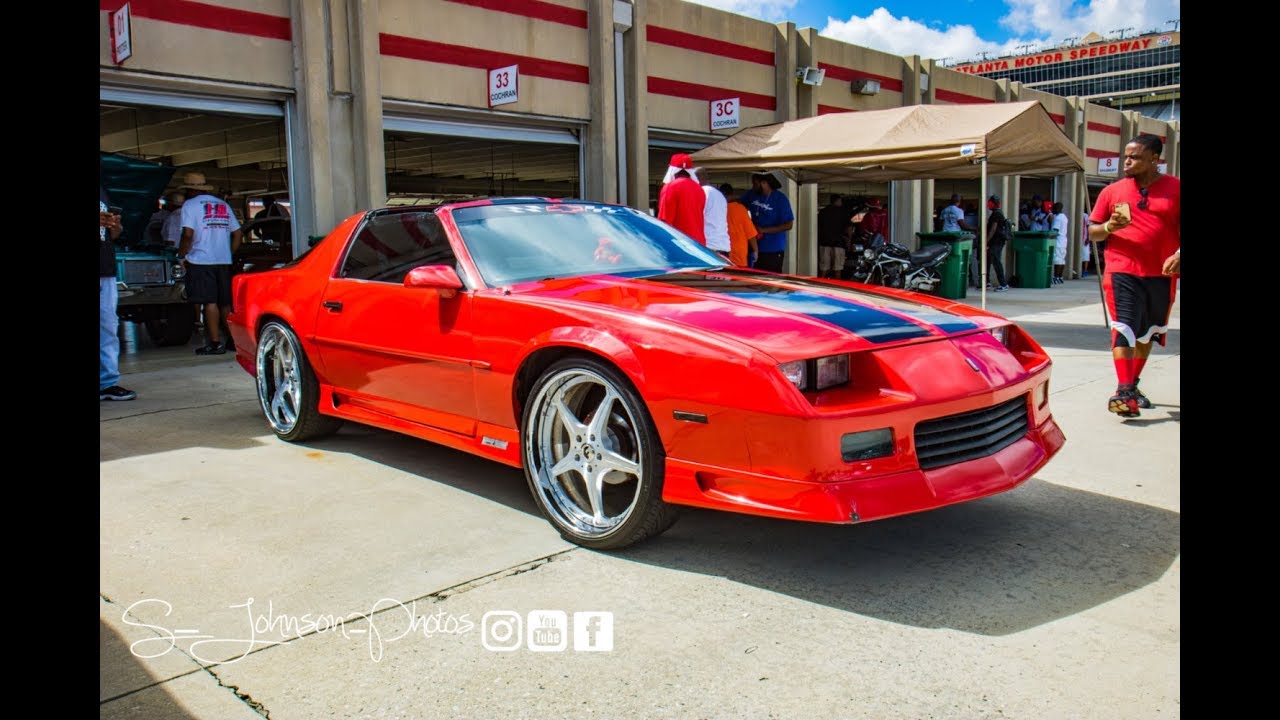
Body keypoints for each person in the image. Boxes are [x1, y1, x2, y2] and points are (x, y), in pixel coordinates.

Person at [1087, 133, 1180, 418]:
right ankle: (1125, 391)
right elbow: (1093, 232)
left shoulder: (1175, 188)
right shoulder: (1112, 192)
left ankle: (1132, 386)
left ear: (1154, 159)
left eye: (1135, 157)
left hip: (1161, 273)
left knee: (1148, 332)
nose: (1126, 162)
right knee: (1124, 327)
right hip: (1122, 270)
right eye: (1126, 156)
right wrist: (1110, 227)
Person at [179, 178, 244, 355]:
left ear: (190, 190)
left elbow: (187, 234)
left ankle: (215, 343)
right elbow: (238, 233)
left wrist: (182, 255)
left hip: (201, 260)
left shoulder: (190, 205)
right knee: (225, 303)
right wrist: (228, 253)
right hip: (223, 261)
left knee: (210, 302)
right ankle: (234, 341)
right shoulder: (223, 204)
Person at [101, 187, 136, 401]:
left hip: (105, 268)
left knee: (108, 326)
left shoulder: (102, 192)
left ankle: (107, 382)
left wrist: (115, 225)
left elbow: (112, 235)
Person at [738, 170, 794, 273]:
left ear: (764, 183)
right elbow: (738, 206)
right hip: (754, 247)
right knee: (753, 277)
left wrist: (764, 230)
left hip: (773, 248)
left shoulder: (780, 199)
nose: (753, 187)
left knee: (771, 278)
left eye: (755, 184)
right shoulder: (751, 194)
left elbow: (789, 225)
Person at [656, 153, 706, 244]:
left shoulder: (670, 187)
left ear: (672, 169)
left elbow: (664, 221)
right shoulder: (699, 189)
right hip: (699, 244)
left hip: (680, 243)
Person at [693, 168, 731, 260]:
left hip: (709, 245)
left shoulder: (702, 192)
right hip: (722, 245)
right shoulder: (719, 195)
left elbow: (697, 218)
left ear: (699, 177)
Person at [718, 183, 759, 267]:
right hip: (739, 256)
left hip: (721, 256)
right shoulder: (741, 209)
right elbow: (750, 234)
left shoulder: (717, 209)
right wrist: (755, 251)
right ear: (732, 195)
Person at [983, 194, 1011, 292]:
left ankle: (1003, 284)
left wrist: (986, 241)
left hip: (997, 241)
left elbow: (993, 229)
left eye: (990, 203)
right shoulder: (997, 213)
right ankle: (988, 282)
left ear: (994, 204)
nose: (988, 205)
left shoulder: (997, 214)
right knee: (991, 261)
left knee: (996, 261)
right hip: (995, 241)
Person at [817, 194, 848, 278]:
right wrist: (848, 241)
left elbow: (818, 227)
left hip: (824, 242)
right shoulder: (843, 212)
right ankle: (837, 285)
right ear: (838, 201)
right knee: (838, 269)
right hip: (838, 243)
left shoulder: (823, 212)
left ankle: (821, 283)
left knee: (823, 268)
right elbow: (848, 227)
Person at [1051, 201, 1070, 284]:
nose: (1052, 210)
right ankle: (1060, 277)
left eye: (1053, 208)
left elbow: (1055, 231)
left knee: (1057, 260)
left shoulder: (1058, 218)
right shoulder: (1064, 217)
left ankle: (1055, 277)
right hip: (1063, 241)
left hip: (1058, 241)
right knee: (1062, 260)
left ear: (1057, 208)